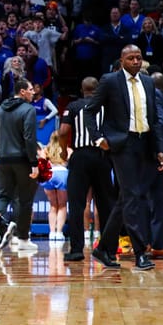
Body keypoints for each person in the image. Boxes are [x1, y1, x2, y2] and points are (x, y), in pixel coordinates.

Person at [84, 44, 163, 271]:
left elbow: (156, 120)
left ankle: (103, 248)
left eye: (139, 58)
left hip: (146, 144)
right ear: (122, 60)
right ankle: (141, 252)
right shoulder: (110, 81)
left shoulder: (149, 82)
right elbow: (89, 111)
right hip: (122, 145)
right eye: (131, 58)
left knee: (128, 198)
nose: (135, 61)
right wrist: (97, 138)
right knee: (133, 197)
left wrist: (160, 149)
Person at [59, 77, 116, 261]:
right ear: (97, 89)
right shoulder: (106, 106)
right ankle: (107, 249)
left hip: (80, 157)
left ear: (82, 89)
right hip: (102, 157)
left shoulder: (74, 106)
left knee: (77, 204)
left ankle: (76, 250)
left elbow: (63, 131)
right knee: (105, 204)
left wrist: (62, 151)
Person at [0, 77, 40, 254]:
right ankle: (22, 238)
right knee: (24, 200)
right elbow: (29, 138)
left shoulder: (1, 108)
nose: (34, 92)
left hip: (3, 158)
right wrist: (34, 162)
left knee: (2, 196)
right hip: (22, 160)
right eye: (31, 89)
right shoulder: (28, 110)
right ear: (22, 91)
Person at [41, 132, 69, 243]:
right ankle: (59, 232)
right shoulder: (66, 148)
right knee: (62, 205)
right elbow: (71, 158)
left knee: (53, 206)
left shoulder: (46, 149)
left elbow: (42, 163)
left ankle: (52, 232)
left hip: (50, 174)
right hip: (62, 173)